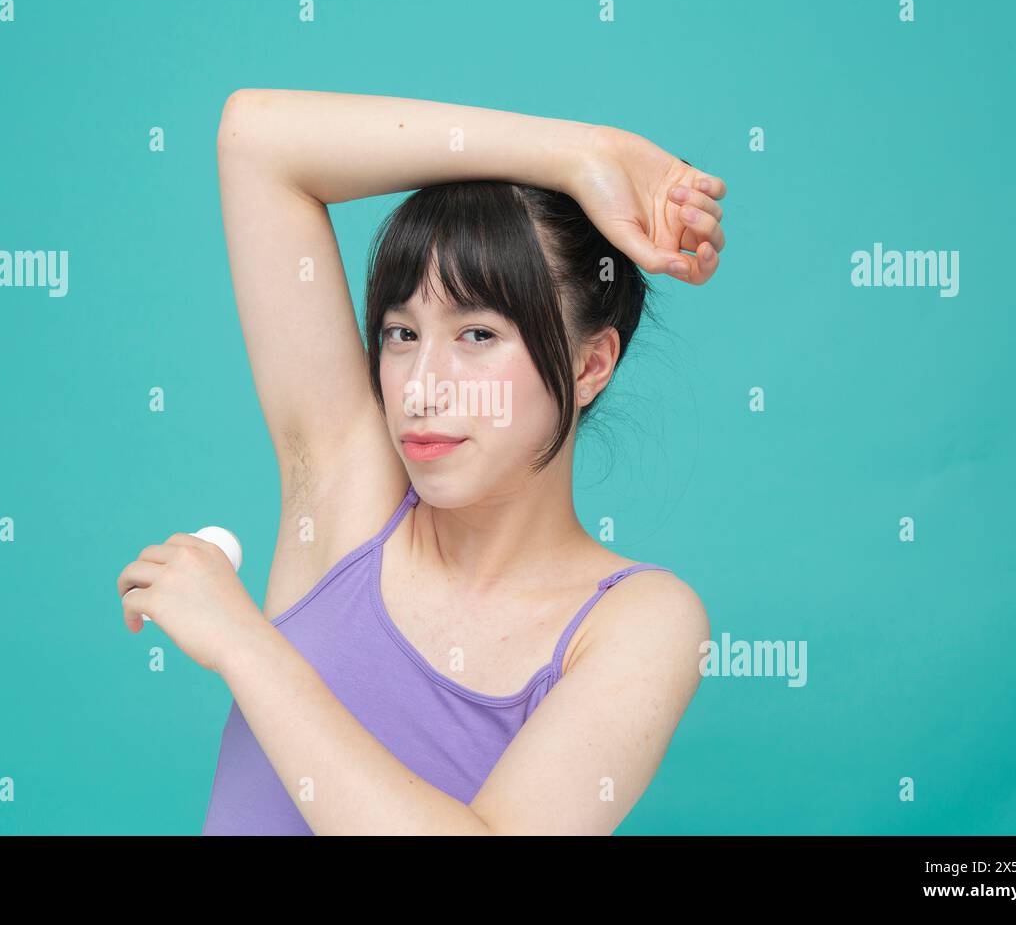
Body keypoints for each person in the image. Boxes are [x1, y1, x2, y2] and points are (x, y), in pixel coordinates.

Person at [117, 89, 727, 835]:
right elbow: (257, 140)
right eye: (402, 334)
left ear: (593, 362)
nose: (421, 387)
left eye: (476, 335)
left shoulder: (640, 622)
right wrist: (578, 154)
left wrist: (246, 646)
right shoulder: (349, 497)